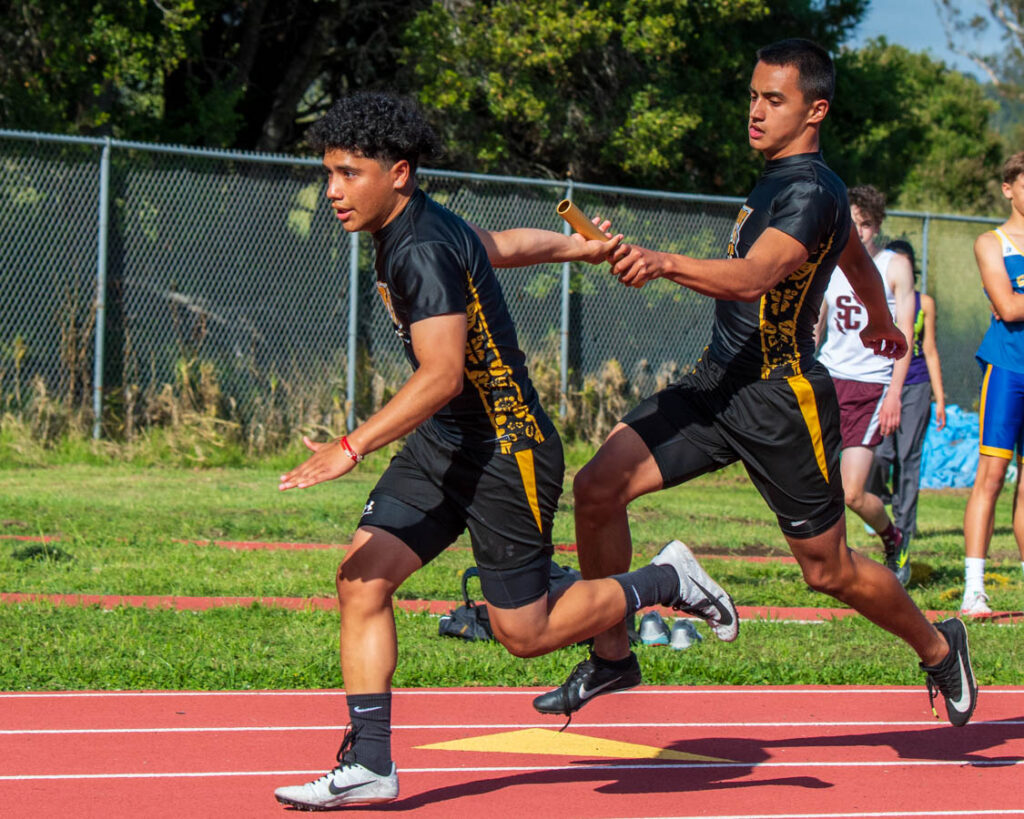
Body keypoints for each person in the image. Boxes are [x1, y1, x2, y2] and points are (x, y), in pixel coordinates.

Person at [271, 92, 738, 811]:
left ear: (397, 173)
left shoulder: (420, 248)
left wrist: (351, 445)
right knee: (361, 582)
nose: (332, 190)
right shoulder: (421, 223)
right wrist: (578, 247)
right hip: (447, 440)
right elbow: (504, 247)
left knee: (526, 633)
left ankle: (665, 579)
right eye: (326, 173)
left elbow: (441, 373)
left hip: (505, 449)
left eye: (347, 173)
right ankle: (369, 764)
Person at [533, 39, 976, 730]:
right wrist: (883, 319)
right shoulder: (778, 177)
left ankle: (939, 643)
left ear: (815, 110)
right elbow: (853, 253)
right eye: (752, 95)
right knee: (597, 489)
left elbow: (756, 276)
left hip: (781, 400)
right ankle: (613, 652)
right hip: (719, 383)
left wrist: (662, 261)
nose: (755, 111)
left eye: (774, 100)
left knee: (826, 569)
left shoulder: (808, 189)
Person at [814, 186, 917, 585]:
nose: (859, 232)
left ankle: (894, 540)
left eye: (867, 225)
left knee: (853, 492)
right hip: (828, 378)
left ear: (878, 227)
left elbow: (906, 334)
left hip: (871, 387)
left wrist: (894, 393)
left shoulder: (894, 266)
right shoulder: (830, 260)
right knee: (815, 480)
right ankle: (828, 559)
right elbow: (816, 321)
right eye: (852, 224)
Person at [961, 150, 1024, 617]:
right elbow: (1008, 308)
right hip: (1008, 368)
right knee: (992, 476)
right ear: (1008, 188)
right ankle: (974, 588)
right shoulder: (992, 241)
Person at [872, 239, 947, 542]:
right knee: (879, 455)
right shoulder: (874, 297)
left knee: (909, 456)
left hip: (915, 385)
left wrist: (940, 399)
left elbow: (929, 350)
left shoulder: (924, 303)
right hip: (880, 381)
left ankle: (905, 526)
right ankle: (877, 503)